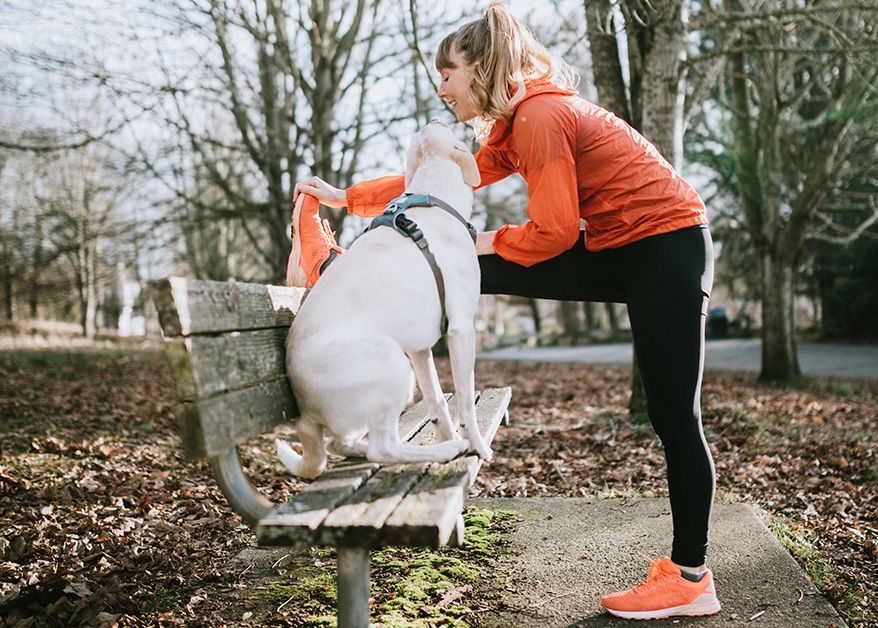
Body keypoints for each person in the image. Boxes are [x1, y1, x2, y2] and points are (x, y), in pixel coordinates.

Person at [294, 5, 718, 620]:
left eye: (450, 73)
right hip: (621, 245)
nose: (441, 88)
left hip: (665, 248)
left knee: (675, 415)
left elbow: (550, 233)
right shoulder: (518, 123)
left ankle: (690, 577)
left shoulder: (542, 117)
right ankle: (348, 283)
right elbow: (440, 177)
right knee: (463, 262)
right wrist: (351, 199)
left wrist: (483, 240)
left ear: (482, 69)